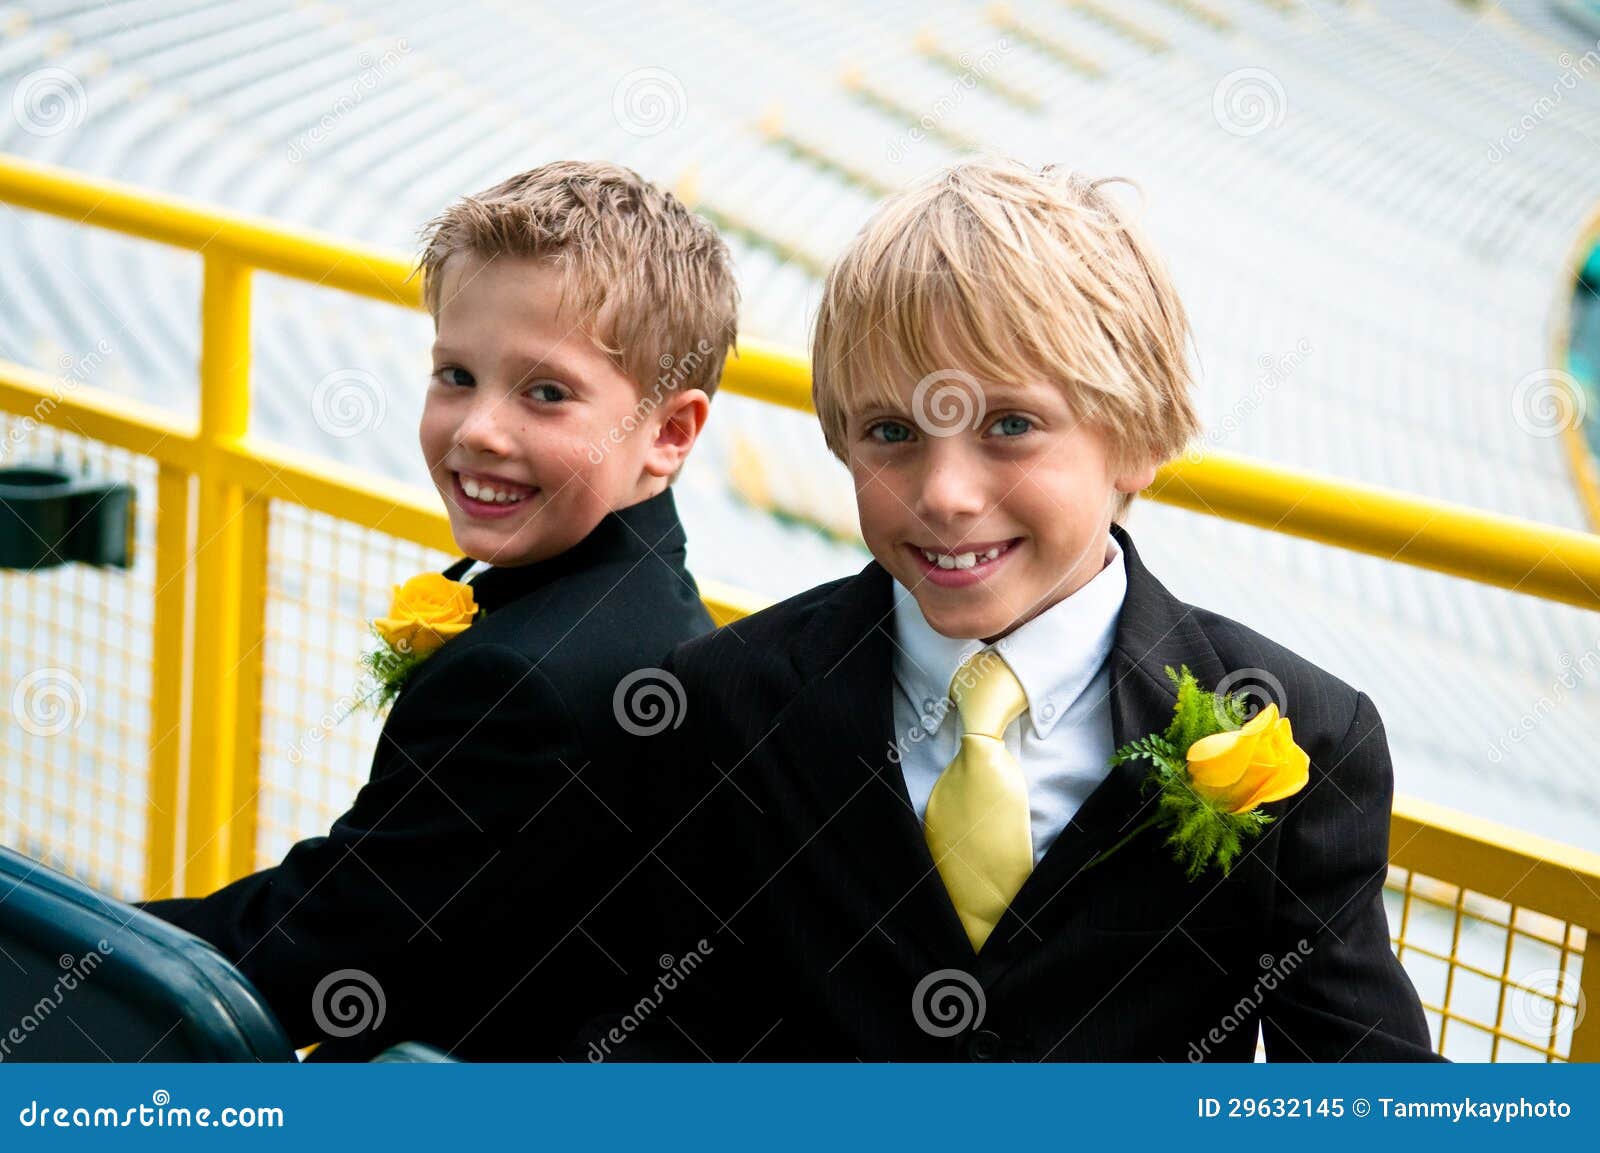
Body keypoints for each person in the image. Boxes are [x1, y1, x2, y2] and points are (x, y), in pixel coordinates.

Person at [602, 158, 1441, 1062]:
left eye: (1010, 426)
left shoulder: (1304, 731)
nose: (946, 494)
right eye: (892, 432)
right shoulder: (724, 702)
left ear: (1141, 436)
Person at [142, 160, 738, 1060]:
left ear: (668, 432)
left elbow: (308, 952)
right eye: (456, 374)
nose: (476, 430)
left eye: (546, 392)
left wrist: (66, 946)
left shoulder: (527, 684)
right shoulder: (649, 607)